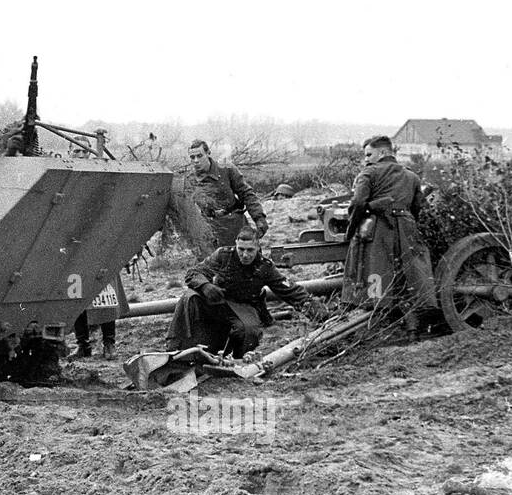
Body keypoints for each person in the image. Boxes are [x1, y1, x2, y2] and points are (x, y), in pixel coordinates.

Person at [166, 227, 325, 357]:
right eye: (241, 249)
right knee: (190, 296)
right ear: (236, 245)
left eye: (250, 250)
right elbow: (193, 273)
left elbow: (290, 291)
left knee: (249, 331)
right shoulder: (223, 255)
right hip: (219, 302)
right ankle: (176, 347)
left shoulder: (264, 267)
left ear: (257, 248)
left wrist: (318, 311)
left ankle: (237, 358)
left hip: (245, 307)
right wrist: (206, 286)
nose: (245, 254)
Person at [340, 135, 436, 326]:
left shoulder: (368, 174)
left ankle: (374, 317)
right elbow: (418, 208)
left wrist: (350, 230)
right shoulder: (412, 176)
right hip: (407, 229)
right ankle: (415, 321)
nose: (366, 159)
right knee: (410, 273)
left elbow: (358, 203)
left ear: (382, 152)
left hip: (378, 230)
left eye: (369, 154)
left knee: (373, 271)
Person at [183, 139, 269, 247]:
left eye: (200, 156)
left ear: (208, 153)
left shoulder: (226, 169)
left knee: (248, 256)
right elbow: (188, 210)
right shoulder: (190, 180)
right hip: (209, 228)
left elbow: (246, 193)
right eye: (192, 157)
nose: (196, 160)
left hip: (234, 223)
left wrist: (259, 218)